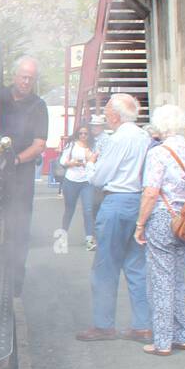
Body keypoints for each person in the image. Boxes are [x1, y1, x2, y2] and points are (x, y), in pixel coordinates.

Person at [76, 94, 152, 343]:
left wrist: (90, 165)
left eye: (108, 111)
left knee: (105, 265)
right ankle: (142, 325)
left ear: (117, 116)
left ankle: (103, 324)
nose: (105, 116)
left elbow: (98, 178)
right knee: (136, 266)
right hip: (138, 201)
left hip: (116, 200)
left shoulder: (117, 139)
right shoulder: (144, 137)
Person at [135, 105, 185, 355]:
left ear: (161, 126)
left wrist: (140, 224)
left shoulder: (158, 153)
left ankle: (163, 341)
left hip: (163, 218)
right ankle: (182, 335)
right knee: (178, 278)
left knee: (161, 280)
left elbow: (151, 192)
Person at [0, 55, 48, 297]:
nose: (26, 82)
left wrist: (16, 160)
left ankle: (15, 284)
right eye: (23, 77)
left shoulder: (39, 106)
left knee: (19, 228)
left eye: (31, 78)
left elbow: (39, 145)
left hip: (21, 174)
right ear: (15, 76)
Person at [59, 127, 97, 249]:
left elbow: (97, 162)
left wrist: (88, 161)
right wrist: (72, 163)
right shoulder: (71, 145)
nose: (83, 135)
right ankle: (63, 236)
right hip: (71, 180)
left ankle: (89, 240)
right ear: (77, 134)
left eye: (85, 133)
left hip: (87, 181)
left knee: (88, 210)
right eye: (80, 133)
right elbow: (62, 161)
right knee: (69, 209)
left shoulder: (93, 146)